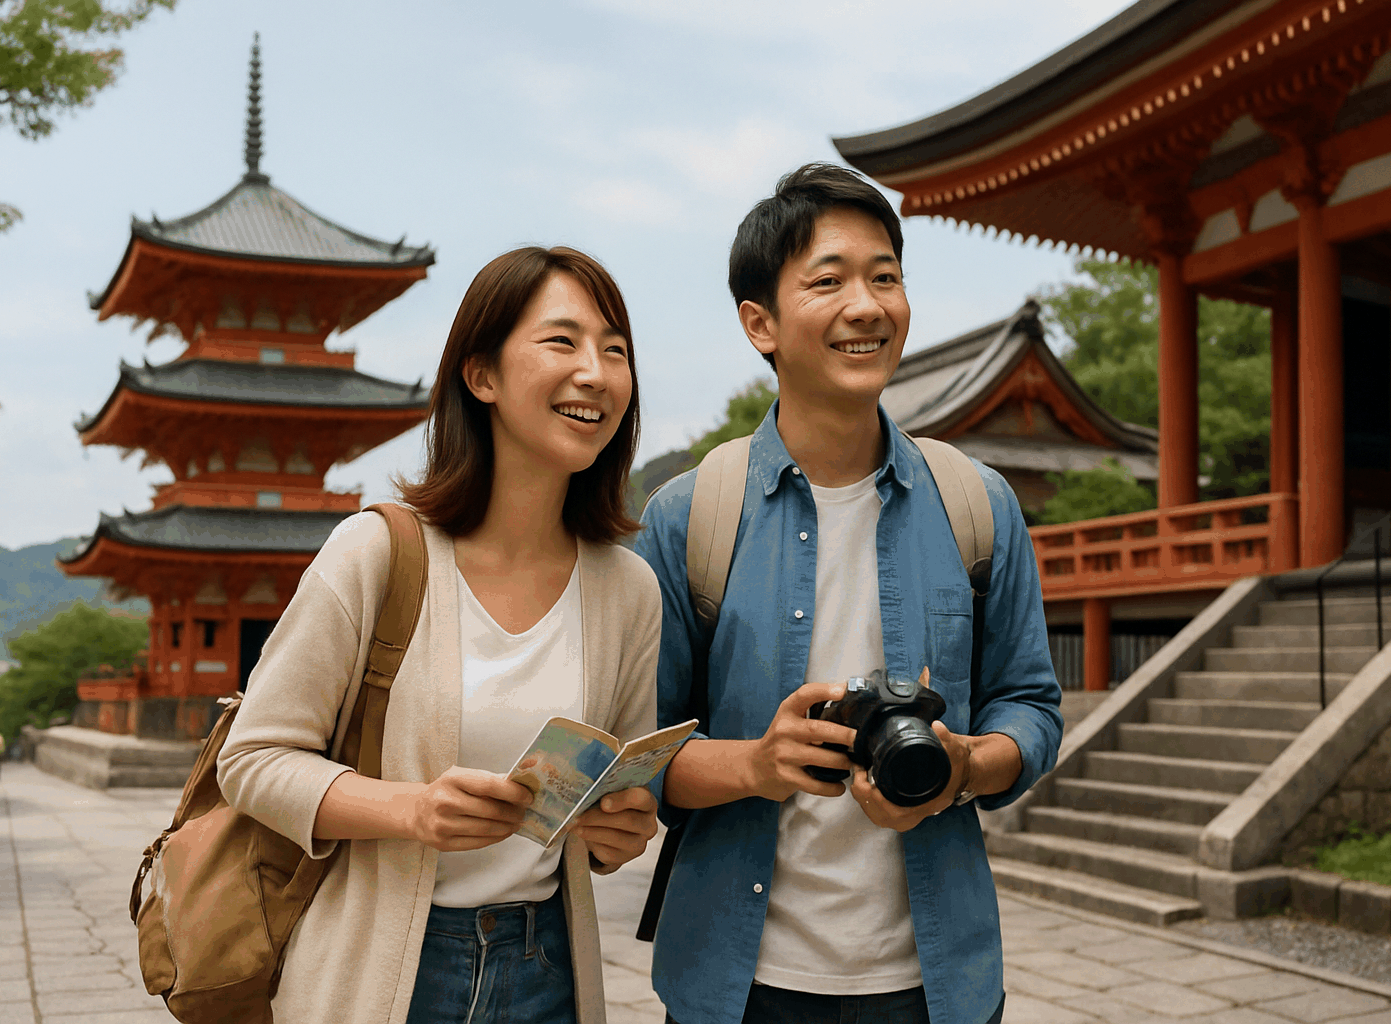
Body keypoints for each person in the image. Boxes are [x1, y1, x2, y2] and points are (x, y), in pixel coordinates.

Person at [636, 163, 1064, 1024]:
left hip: (935, 983)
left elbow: (1033, 707)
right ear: (760, 323)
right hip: (737, 983)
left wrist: (965, 766)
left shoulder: (975, 504)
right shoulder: (689, 519)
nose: (867, 305)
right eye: (827, 281)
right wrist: (757, 763)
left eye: (886, 276)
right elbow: (641, 757)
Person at [217, 246, 664, 1024]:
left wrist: (623, 828)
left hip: (549, 971)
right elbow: (251, 760)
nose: (596, 371)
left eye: (615, 349)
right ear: (481, 375)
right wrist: (411, 811)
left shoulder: (629, 589)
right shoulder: (376, 553)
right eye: (562, 341)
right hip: (385, 971)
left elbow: (620, 803)